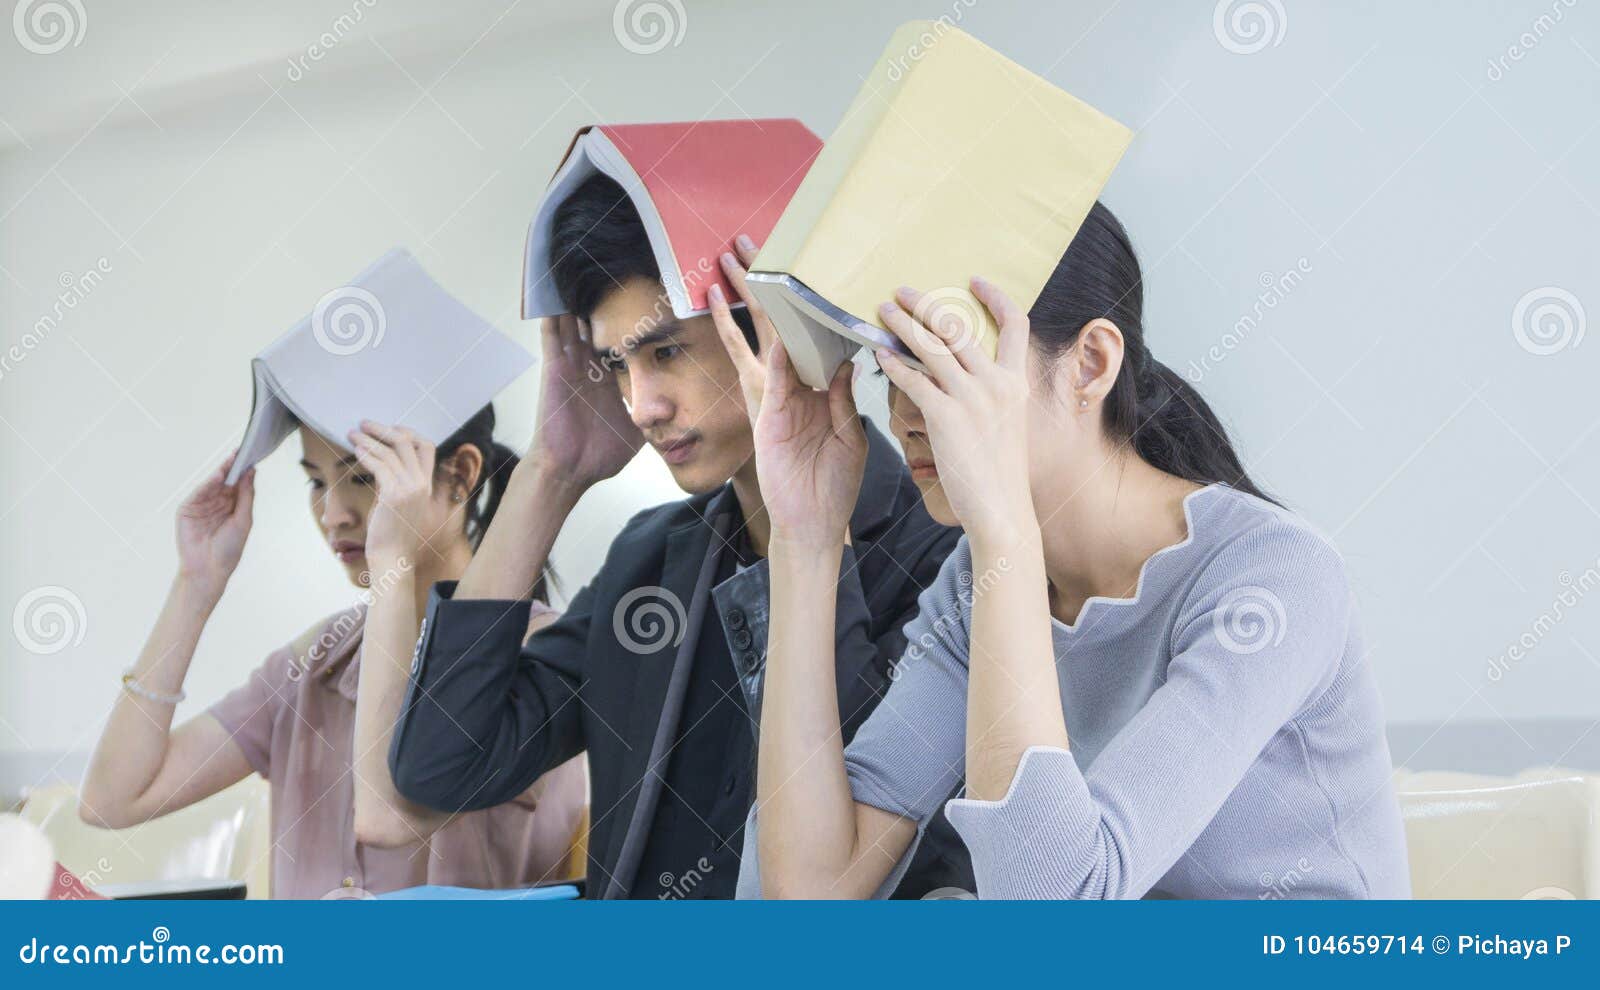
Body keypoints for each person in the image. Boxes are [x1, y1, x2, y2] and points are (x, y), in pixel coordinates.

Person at [738, 202, 1411, 899]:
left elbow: (1055, 912)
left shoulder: (1274, 576)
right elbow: (805, 899)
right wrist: (806, 541)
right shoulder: (974, 586)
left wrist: (1004, 531)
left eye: (952, 363)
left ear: (1090, 364)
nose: (908, 415)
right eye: (894, 371)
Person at [386, 173, 973, 898]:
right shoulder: (650, 560)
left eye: (665, 353)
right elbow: (442, 765)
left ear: (777, 328)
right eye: (617, 366)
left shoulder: (946, 562)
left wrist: (810, 546)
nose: (640, 405)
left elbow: (852, 849)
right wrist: (550, 473)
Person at [79, 406, 587, 898]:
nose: (333, 514)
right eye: (317, 482)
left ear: (460, 475)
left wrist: (391, 561)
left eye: (363, 479)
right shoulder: (315, 663)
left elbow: (386, 814)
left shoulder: (540, 657)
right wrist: (197, 582)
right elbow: (113, 800)